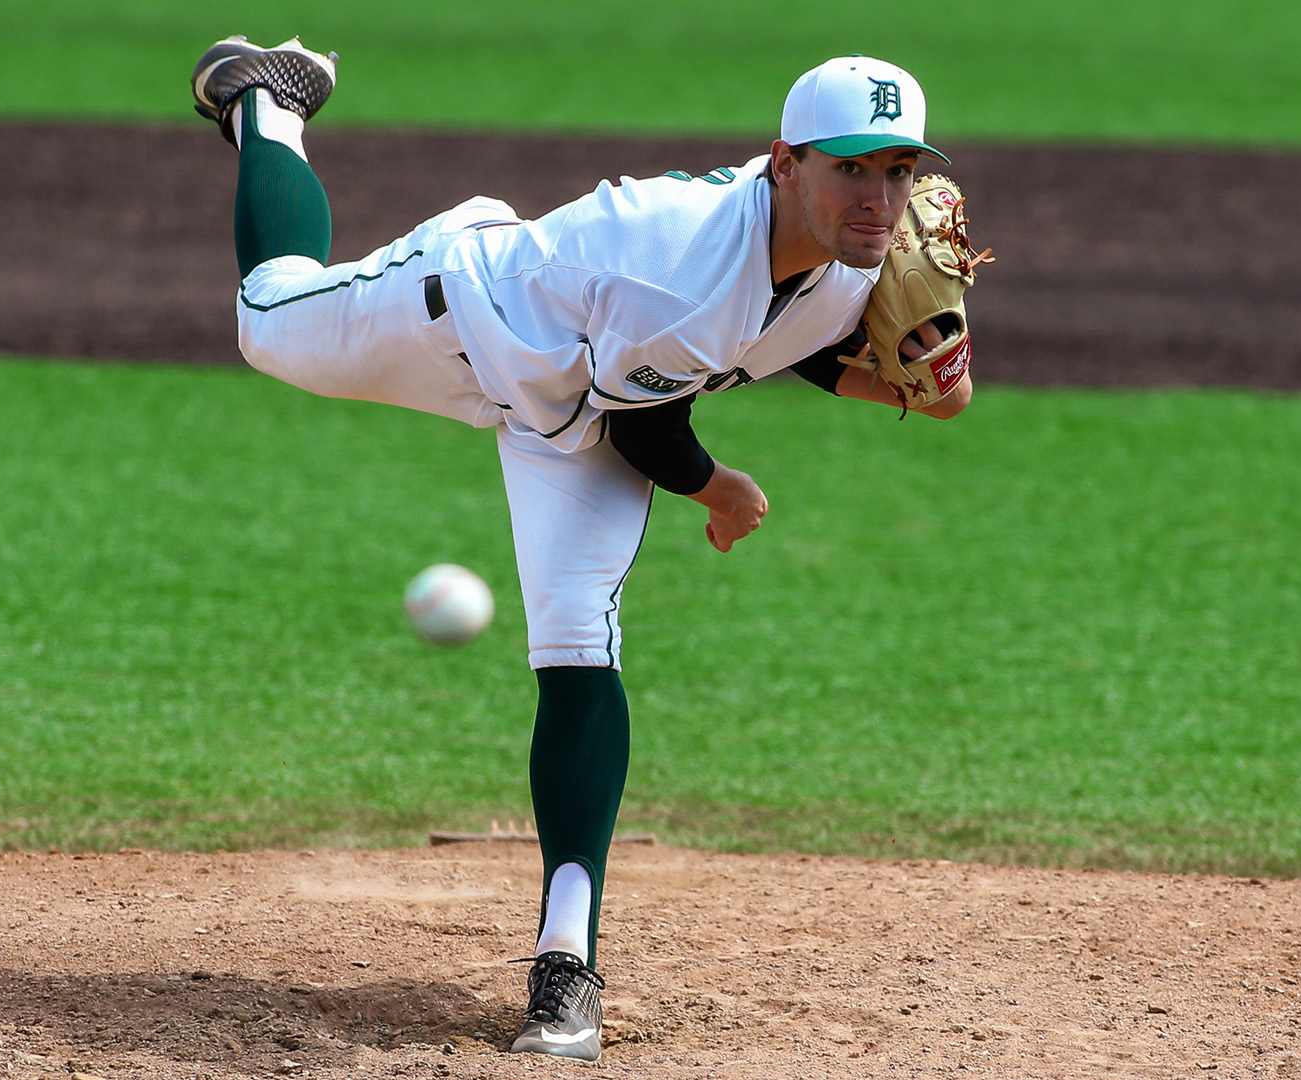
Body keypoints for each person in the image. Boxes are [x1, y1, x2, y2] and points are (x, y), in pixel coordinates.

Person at [191, 40, 973, 1060]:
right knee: (266, 319)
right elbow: (654, 426)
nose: (881, 198)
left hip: (584, 404)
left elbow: (790, 335)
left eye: (900, 169)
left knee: (577, 643)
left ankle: (566, 966)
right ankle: (269, 102)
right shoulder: (681, 275)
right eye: (851, 169)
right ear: (785, 162)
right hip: (464, 316)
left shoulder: (849, 251)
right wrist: (725, 490)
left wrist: (914, 384)